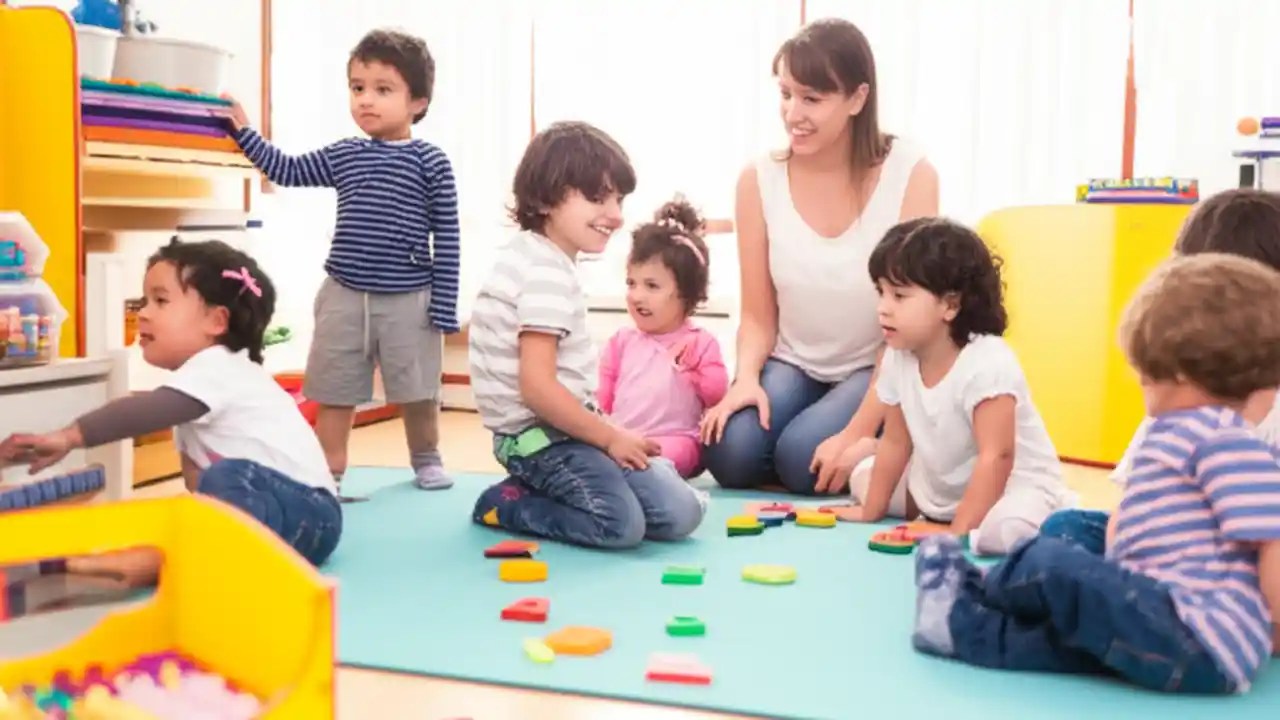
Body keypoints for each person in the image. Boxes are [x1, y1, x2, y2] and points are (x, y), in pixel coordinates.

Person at [912, 252, 1280, 695]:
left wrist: (1270, 625)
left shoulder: (1225, 440)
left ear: (1181, 376)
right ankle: (959, 628)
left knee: (1045, 562)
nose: (1144, 392)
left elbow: (1272, 539)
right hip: (1173, 636)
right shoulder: (1181, 432)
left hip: (1196, 635)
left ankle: (977, 591)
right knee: (1065, 633)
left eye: (1146, 379)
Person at [0, 239, 342, 586]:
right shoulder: (198, 390)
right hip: (290, 521)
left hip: (309, 512)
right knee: (191, 502)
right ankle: (176, 553)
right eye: (143, 301)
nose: (143, 312)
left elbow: (145, 412)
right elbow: (198, 484)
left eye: (160, 301)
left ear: (216, 320)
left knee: (224, 477)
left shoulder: (219, 368)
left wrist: (69, 436)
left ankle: (156, 562)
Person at [699, 18, 939, 496]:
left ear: (857, 98)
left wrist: (854, 433)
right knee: (728, 452)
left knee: (798, 460)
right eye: (785, 93)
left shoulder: (910, 173)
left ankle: (887, 440)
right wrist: (746, 379)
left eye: (812, 98)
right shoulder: (758, 179)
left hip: (874, 365)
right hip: (793, 360)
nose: (793, 113)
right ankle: (823, 437)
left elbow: (910, 329)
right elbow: (756, 315)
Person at [224, 28, 460, 500]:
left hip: (410, 296)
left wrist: (444, 306)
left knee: (418, 389)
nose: (365, 100)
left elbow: (448, 236)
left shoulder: (431, 161)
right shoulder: (345, 154)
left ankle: (426, 457)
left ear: (418, 101)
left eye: (382, 89)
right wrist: (245, 132)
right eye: (357, 88)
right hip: (345, 292)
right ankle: (328, 469)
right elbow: (286, 169)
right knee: (335, 387)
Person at [466, 122, 707, 549]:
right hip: (539, 444)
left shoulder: (541, 260)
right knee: (620, 526)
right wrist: (610, 436)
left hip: (570, 431)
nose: (614, 214)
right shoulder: (543, 272)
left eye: (618, 199)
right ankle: (509, 502)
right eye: (598, 198)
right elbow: (537, 388)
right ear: (545, 197)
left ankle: (621, 483)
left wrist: (606, 434)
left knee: (680, 512)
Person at [1041, 188, 1280, 554]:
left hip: (1250, 556)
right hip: (1172, 550)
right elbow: (1131, 507)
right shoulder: (1185, 390)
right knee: (1066, 527)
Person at [831, 218, 1074, 555]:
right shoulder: (897, 356)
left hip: (1015, 487)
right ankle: (950, 514)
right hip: (943, 488)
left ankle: (1034, 518)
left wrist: (958, 534)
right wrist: (870, 511)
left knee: (1004, 532)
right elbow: (896, 441)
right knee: (862, 478)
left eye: (899, 296)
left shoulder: (988, 362)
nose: (883, 307)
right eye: (881, 292)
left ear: (950, 305)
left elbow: (997, 455)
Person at [598, 196, 729, 478]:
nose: (636, 296)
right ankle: (623, 468)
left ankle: (640, 471)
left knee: (671, 453)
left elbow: (717, 394)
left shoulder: (700, 341)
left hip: (676, 438)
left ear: (686, 293)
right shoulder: (621, 341)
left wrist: (696, 371)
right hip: (622, 437)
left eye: (652, 286)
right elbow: (603, 396)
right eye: (631, 283)